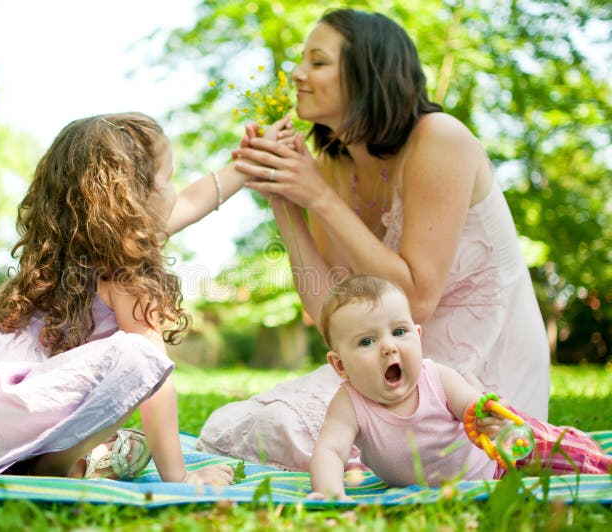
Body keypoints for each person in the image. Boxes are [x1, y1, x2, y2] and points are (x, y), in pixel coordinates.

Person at [197, 7, 551, 471]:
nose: (297, 74)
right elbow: (330, 314)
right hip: (384, 367)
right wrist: (283, 199)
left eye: (317, 62)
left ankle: (367, 461)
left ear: (368, 73)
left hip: (471, 374)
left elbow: (417, 301)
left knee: (325, 433)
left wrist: (319, 197)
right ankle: (360, 461)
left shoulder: (438, 139)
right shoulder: (330, 167)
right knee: (233, 427)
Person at [0, 112, 289, 482]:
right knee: (142, 356)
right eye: (168, 178)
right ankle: (55, 466)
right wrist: (180, 479)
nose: (176, 192)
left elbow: (194, 200)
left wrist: (248, 164)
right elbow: (154, 381)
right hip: (8, 413)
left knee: (128, 424)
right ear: (134, 199)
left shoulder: (74, 247)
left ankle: (42, 462)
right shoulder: (123, 270)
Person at [308, 274, 610, 500]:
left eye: (399, 332)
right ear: (340, 366)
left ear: (418, 334)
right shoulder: (349, 403)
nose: (388, 347)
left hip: (497, 455)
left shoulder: (436, 377)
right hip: (446, 489)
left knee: (555, 451)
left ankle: (597, 458)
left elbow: (472, 406)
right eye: (367, 341)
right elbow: (330, 450)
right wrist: (330, 495)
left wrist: (482, 415)